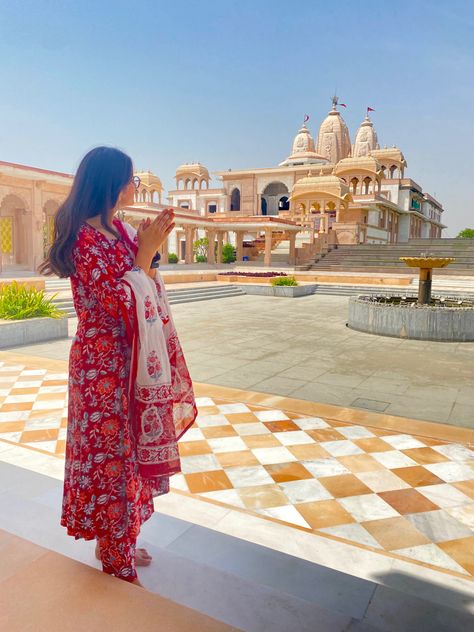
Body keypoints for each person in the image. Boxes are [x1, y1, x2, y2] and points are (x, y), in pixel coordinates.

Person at [39, 146, 197, 587]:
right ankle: (113, 551)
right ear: (108, 183)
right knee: (110, 456)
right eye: (130, 180)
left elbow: (147, 287)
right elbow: (117, 302)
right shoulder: (82, 239)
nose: (136, 187)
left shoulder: (123, 232)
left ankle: (121, 537)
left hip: (133, 360)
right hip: (101, 366)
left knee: (129, 456)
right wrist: (144, 255)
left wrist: (147, 252)